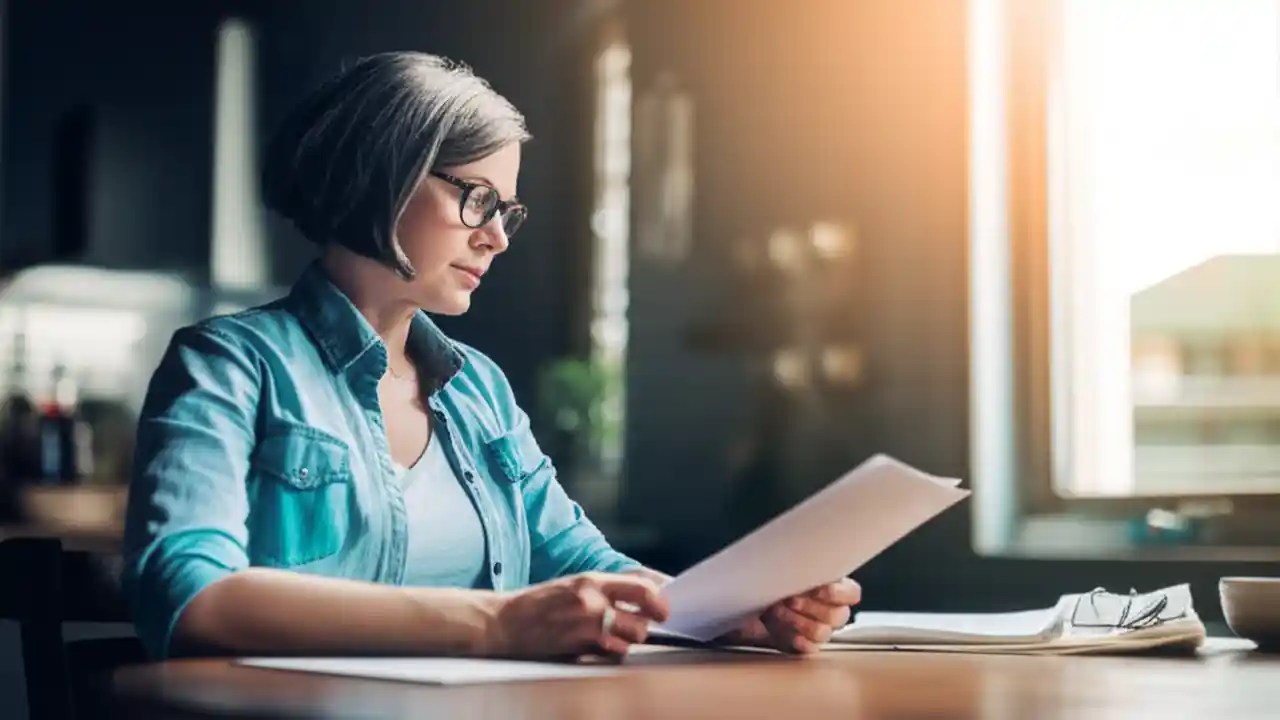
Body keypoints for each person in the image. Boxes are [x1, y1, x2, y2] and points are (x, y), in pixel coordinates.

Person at [122, 51, 860, 661]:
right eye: (476, 199)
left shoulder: (478, 390)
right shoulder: (230, 365)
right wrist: (493, 623)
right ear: (381, 175)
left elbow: (581, 563)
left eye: (506, 212)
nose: (497, 238)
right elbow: (186, 593)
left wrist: (725, 615)